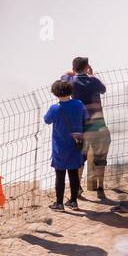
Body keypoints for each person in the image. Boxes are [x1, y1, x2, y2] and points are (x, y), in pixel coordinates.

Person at [63, 56, 108, 198]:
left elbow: (62, 79)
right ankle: (100, 186)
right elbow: (103, 89)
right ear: (87, 66)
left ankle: (77, 188)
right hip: (99, 124)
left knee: (80, 158)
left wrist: (72, 72)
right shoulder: (93, 80)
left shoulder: (71, 82)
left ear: (74, 68)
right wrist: (91, 75)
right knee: (100, 157)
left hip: (82, 127)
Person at [44, 78, 86, 210]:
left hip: (60, 147)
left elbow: (46, 120)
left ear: (55, 93)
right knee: (73, 173)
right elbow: (85, 117)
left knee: (60, 175)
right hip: (76, 144)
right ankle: (73, 201)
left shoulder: (54, 108)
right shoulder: (79, 104)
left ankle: (59, 203)